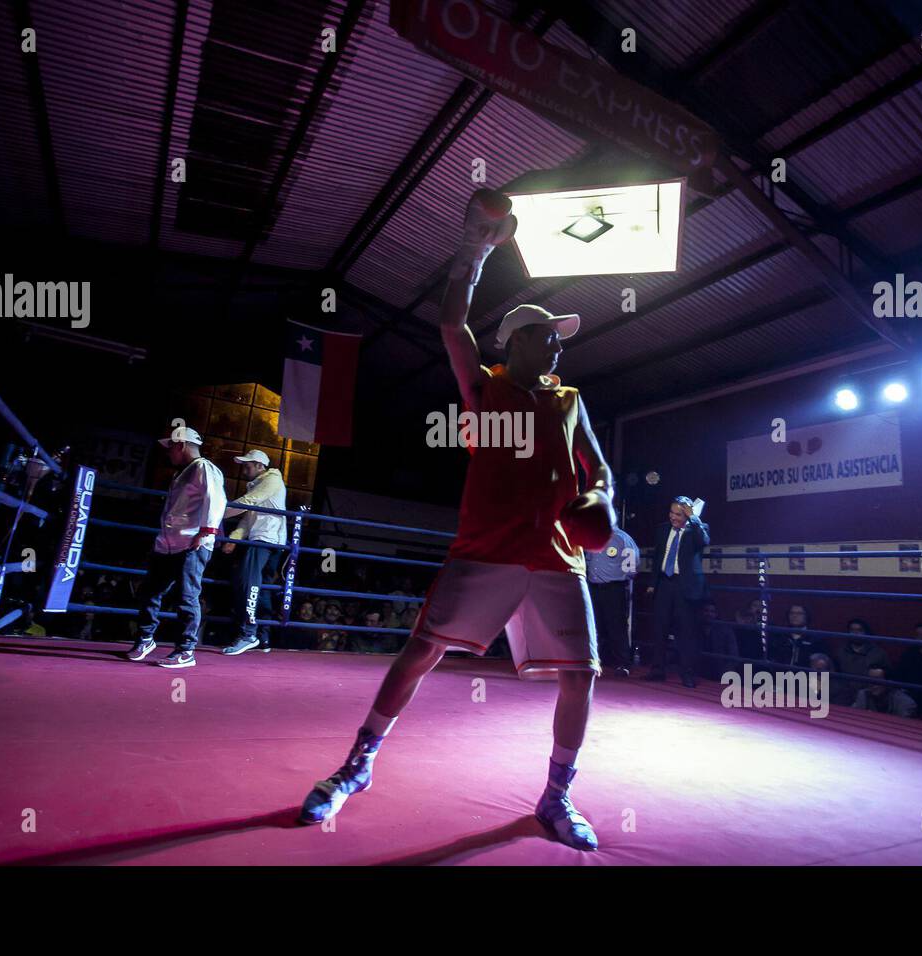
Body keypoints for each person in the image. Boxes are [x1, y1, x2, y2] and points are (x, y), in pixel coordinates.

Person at [297, 189, 616, 851]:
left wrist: (605, 500)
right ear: (519, 340)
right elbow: (451, 326)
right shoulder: (484, 388)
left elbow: (600, 468)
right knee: (421, 650)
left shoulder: (570, 402)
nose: (558, 348)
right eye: (548, 336)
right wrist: (472, 253)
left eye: (559, 339)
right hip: (487, 548)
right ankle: (359, 763)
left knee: (581, 672)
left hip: (558, 553)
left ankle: (556, 795)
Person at [124, 425, 226, 668]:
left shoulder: (204, 467)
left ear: (181, 445)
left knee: (186, 596)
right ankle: (146, 638)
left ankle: (186, 649)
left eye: (171, 446)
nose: (168, 452)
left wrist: (206, 531)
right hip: (170, 544)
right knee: (150, 591)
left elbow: (216, 499)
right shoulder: (182, 472)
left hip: (192, 542)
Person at [220, 449, 288, 656]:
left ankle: (249, 633)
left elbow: (248, 502)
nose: (244, 468)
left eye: (248, 465)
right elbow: (248, 519)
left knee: (248, 581)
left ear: (260, 465)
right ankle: (263, 637)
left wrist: (217, 511)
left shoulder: (272, 479)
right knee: (262, 589)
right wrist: (234, 538)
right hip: (268, 539)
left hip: (265, 539)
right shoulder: (258, 485)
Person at [645, 496, 710, 687]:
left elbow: (704, 541)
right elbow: (658, 557)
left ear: (687, 514)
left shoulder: (697, 529)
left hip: (686, 586)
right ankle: (657, 670)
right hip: (665, 583)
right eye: (672, 512)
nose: (673, 517)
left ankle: (687, 674)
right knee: (660, 628)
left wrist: (693, 518)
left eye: (679, 514)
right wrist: (652, 583)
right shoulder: (663, 529)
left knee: (686, 631)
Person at [585, 525, 638, 676]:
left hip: (614, 589)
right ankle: (594, 661)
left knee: (616, 626)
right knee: (594, 626)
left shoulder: (623, 538)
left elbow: (632, 568)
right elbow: (588, 561)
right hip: (594, 588)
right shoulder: (592, 537)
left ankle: (623, 664)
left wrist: (619, 579)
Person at [835, 618, 890, 706]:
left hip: (869, 697)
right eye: (852, 630)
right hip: (844, 695)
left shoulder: (878, 653)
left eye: (859, 630)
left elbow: (887, 677)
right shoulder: (841, 651)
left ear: (866, 632)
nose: (855, 633)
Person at [852, 666, 918, 717]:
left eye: (877, 680)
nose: (872, 685)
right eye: (870, 680)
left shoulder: (906, 703)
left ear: (889, 682)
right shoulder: (863, 694)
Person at [699, 599, 739, 679]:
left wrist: (725, 674)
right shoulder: (695, 628)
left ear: (716, 614)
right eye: (706, 610)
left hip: (720, 673)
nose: (709, 614)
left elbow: (733, 655)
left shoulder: (725, 630)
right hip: (698, 672)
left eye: (712, 611)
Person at [768, 604, 815, 668]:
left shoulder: (815, 638)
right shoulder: (779, 635)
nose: (794, 615)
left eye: (799, 613)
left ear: (807, 616)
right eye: (791, 613)